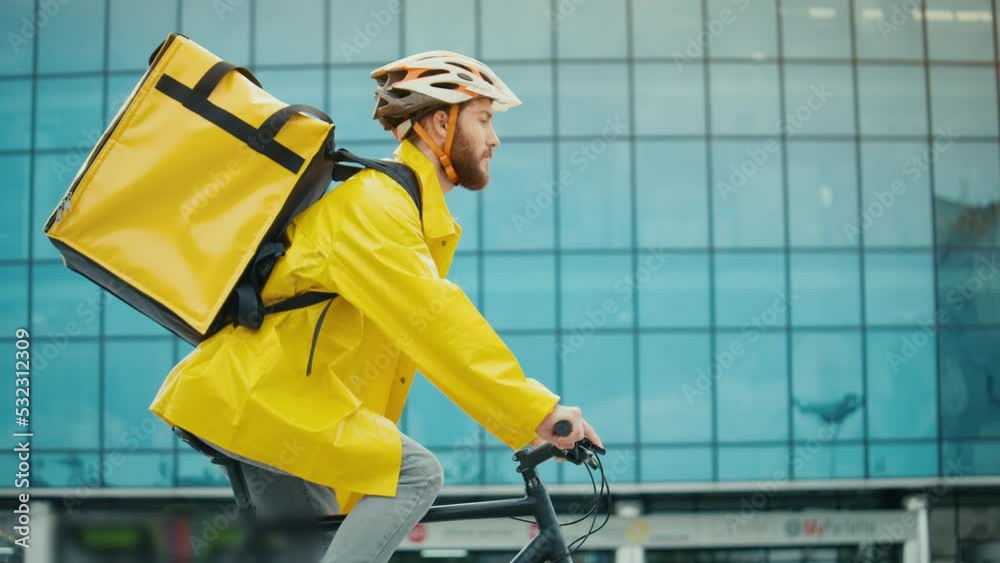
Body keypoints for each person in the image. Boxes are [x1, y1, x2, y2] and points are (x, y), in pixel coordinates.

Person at [149, 50, 603, 563]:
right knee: (418, 474)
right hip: (261, 399)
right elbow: (436, 323)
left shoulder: (403, 211)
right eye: (484, 120)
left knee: (321, 551)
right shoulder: (376, 208)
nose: (494, 139)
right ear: (439, 122)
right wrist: (538, 412)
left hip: (270, 405)